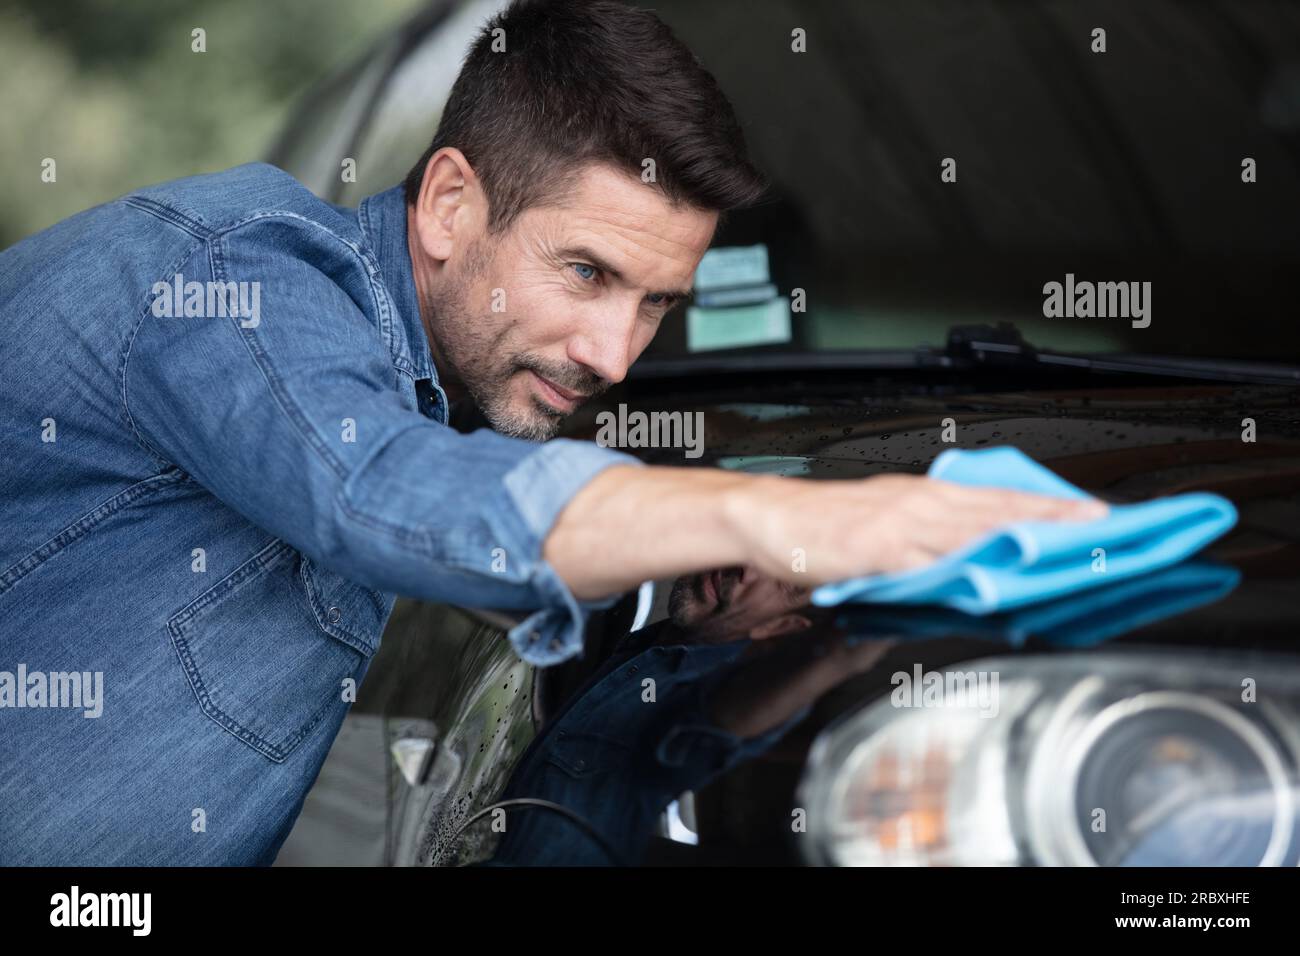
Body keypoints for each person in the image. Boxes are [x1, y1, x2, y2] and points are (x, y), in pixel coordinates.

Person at [0, 0, 1104, 864]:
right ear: (446, 204)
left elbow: (539, 805)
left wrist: (736, 655)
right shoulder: (227, 277)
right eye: (585, 271)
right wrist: (789, 508)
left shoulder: (447, 405)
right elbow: (385, 490)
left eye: (655, 303)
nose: (615, 355)